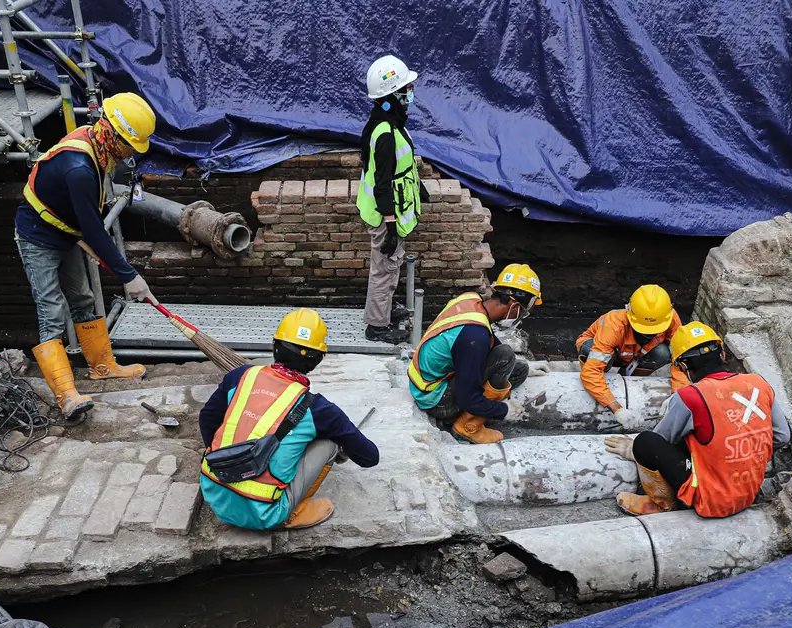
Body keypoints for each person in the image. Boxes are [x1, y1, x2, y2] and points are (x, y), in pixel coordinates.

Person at [15, 92, 158, 417]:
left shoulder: (97, 147)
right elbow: (94, 232)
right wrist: (130, 277)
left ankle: (103, 367)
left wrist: (126, 274)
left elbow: (87, 228)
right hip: (38, 237)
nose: (129, 155)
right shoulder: (79, 167)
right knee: (51, 308)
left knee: (82, 296)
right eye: (130, 146)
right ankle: (66, 395)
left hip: (66, 233)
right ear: (115, 136)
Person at [199, 308, 379, 530]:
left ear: (274, 346)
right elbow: (370, 457)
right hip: (264, 514)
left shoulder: (242, 375)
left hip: (214, 490)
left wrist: (226, 454)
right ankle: (292, 514)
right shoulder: (319, 410)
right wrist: (342, 437)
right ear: (318, 360)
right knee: (330, 443)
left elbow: (207, 418)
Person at [603, 322, 790, 518]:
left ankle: (663, 504)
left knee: (645, 442)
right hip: (748, 492)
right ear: (723, 354)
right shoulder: (758, 383)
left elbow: (661, 440)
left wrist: (632, 450)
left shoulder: (691, 396)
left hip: (711, 500)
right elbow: (782, 436)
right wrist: (744, 455)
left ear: (683, 366)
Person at [407, 264, 542, 444]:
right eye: (522, 313)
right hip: (436, 400)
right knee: (506, 356)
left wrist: (526, 367)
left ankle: (475, 413)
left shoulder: (470, 300)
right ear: (514, 306)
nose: (520, 317)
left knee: (518, 370)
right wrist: (503, 410)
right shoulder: (475, 337)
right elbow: (467, 399)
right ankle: (468, 427)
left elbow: (491, 343)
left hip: (429, 380)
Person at [356, 55, 430, 344]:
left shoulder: (390, 123)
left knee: (391, 265)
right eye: (406, 90)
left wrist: (418, 186)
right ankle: (377, 326)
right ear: (391, 96)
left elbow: (400, 166)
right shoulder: (385, 132)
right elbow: (382, 185)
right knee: (384, 269)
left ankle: (385, 308)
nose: (410, 94)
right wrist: (389, 225)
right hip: (384, 214)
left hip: (389, 212)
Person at [575, 285, 689, 431]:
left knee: (662, 353)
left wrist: (677, 396)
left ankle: (628, 379)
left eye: (654, 330)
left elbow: (679, 359)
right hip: (608, 351)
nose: (649, 334)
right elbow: (590, 372)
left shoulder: (670, 317)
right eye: (643, 329)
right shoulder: (614, 324)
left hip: (636, 354)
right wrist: (617, 409)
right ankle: (601, 387)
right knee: (594, 354)